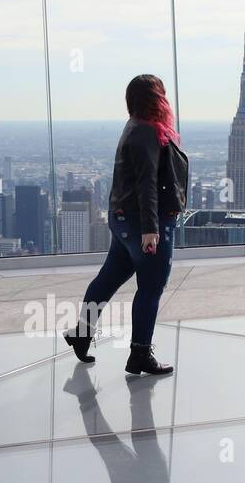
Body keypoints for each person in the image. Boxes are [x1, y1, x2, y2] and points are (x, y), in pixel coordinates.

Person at [64, 74, 189, 375]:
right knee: (151, 287)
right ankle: (140, 355)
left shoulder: (135, 126)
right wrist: (151, 229)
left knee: (108, 278)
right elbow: (147, 183)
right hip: (143, 222)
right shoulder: (146, 131)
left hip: (124, 220)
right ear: (156, 99)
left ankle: (82, 333)